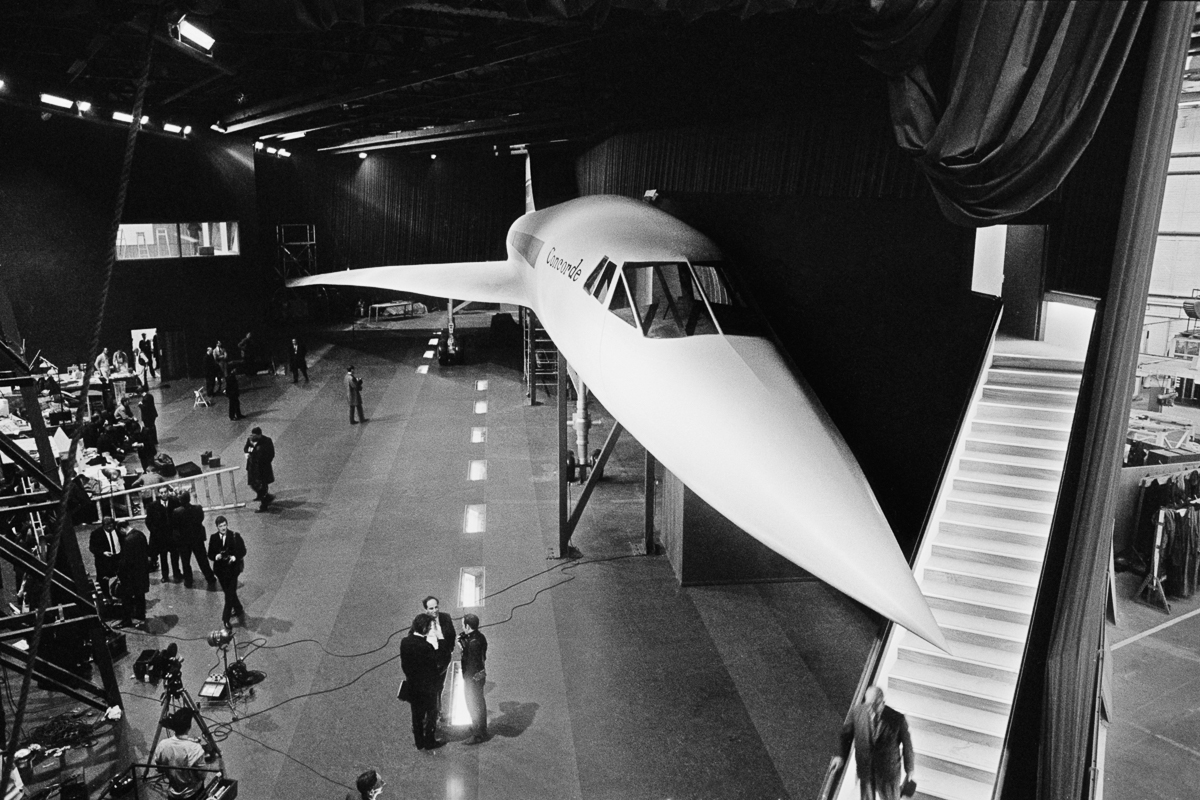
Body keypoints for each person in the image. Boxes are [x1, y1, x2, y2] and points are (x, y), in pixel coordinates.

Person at [834, 686, 915, 800]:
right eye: (868, 705)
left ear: (882, 702)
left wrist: (910, 768)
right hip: (866, 770)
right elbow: (846, 735)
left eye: (875, 705)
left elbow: (908, 746)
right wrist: (840, 756)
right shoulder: (857, 712)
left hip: (888, 773)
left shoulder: (897, 719)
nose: (871, 710)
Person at [400, 614, 442, 751]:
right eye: (429, 627)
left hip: (413, 686)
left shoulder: (405, 642)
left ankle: (419, 742)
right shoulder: (426, 647)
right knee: (431, 714)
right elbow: (435, 666)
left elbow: (405, 666)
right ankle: (429, 741)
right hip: (428, 688)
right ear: (424, 628)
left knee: (416, 716)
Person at [153, 708, 206, 799]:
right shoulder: (195, 748)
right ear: (189, 727)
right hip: (193, 794)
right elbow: (202, 776)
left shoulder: (162, 745)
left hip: (173, 794)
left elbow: (159, 769)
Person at [207, 516, 246, 627]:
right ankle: (238, 608)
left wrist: (235, 557)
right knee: (229, 592)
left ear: (227, 524)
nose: (223, 528)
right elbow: (210, 554)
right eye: (220, 526)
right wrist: (216, 556)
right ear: (217, 527)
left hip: (233, 570)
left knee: (228, 595)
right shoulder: (213, 538)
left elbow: (243, 551)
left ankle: (226, 619)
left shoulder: (235, 536)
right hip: (220, 572)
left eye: (224, 525)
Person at [170, 491, 215, 587]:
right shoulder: (198, 508)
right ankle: (210, 578)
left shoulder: (176, 512)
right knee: (203, 560)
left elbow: (175, 526)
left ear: (180, 500)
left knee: (185, 562)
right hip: (197, 538)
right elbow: (201, 519)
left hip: (184, 541)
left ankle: (188, 581)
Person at [422, 596, 456, 718]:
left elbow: (452, 635)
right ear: (426, 609)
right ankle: (427, 715)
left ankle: (437, 709)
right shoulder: (421, 621)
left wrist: (448, 651)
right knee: (428, 689)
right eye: (431, 608)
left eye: (436, 607)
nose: (435, 610)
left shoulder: (445, 618)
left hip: (442, 660)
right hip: (428, 661)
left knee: (439, 686)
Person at [459, 613, 488, 743]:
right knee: (479, 701)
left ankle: (477, 734)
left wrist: (463, 649)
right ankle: (481, 727)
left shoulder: (472, 643)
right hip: (480, 674)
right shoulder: (480, 637)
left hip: (472, 677)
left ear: (467, 626)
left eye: (463, 624)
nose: (462, 627)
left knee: (473, 703)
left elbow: (470, 662)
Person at [116, 522, 149, 627]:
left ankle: (126, 620)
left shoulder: (128, 540)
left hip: (130, 574)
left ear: (122, 529)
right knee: (140, 594)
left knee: (126, 597)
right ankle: (140, 615)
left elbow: (126, 560)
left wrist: (120, 574)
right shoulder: (140, 534)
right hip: (141, 571)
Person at [88, 516, 121, 598]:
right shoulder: (96, 533)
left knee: (121, 576)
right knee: (103, 580)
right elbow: (92, 548)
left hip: (117, 557)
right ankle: (106, 597)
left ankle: (120, 594)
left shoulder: (118, 530)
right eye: (107, 526)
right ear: (103, 525)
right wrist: (103, 553)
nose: (110, 528)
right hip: (104, 561)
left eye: (111, 526)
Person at [244, 427, 275, 512]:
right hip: (252, 467)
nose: (253, 437)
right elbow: (246, 448)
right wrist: (248, 453)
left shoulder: (267, 441)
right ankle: (264, 496)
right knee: (253, 484)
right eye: (252, 435)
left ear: (260, 435)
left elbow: (271, 454)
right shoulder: (250, 440)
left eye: (255, 435)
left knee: (262, 485)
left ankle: (264, 504)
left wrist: (264, 462)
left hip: (262, 468)